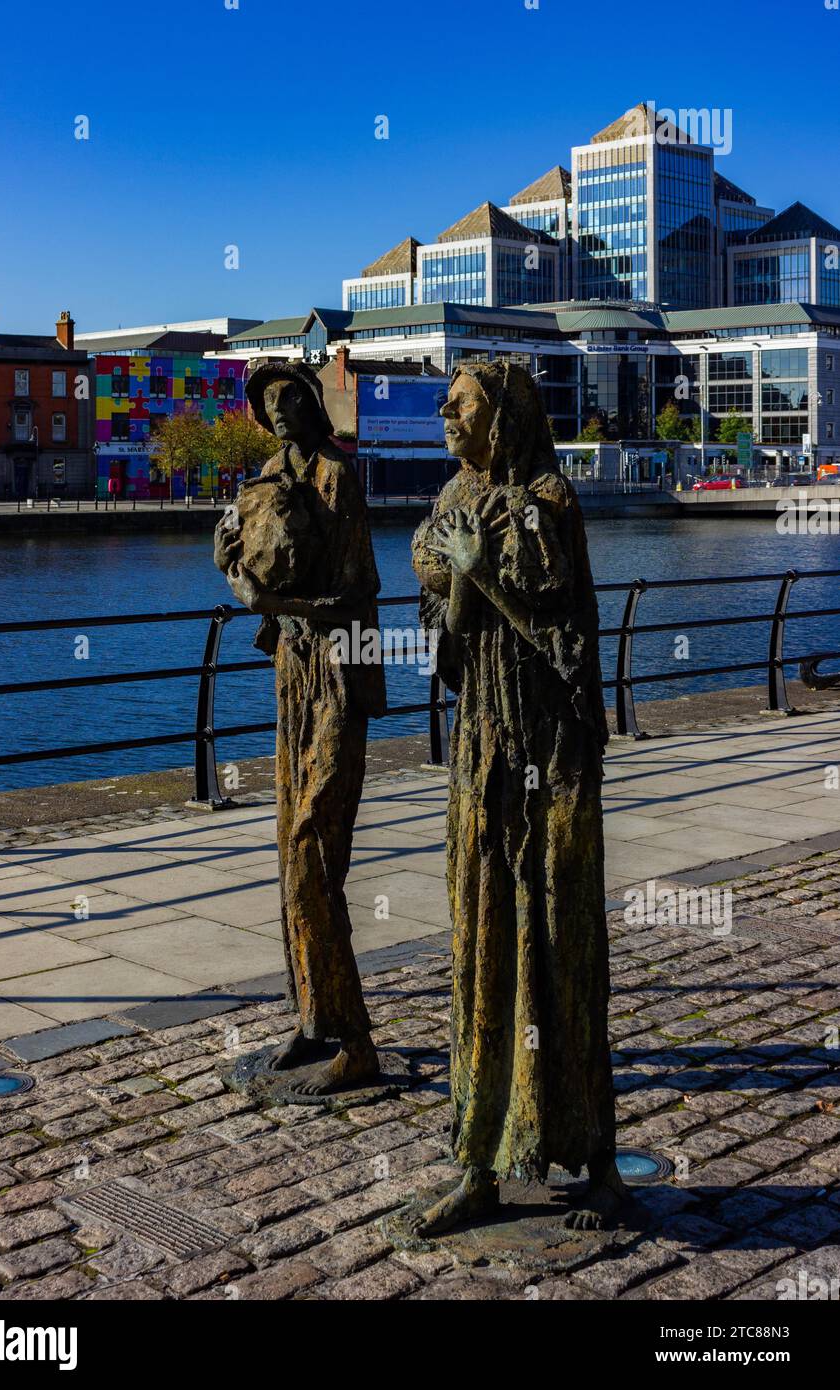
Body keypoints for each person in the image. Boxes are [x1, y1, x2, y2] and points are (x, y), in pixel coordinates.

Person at [408, 362, 623, 1234]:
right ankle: (481, 1162)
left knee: (563, 943)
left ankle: (598, 1159)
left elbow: (562, 644)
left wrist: (480, 570)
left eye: (460, 405)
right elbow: (454, 640)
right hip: (485, 749)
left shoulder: (549, 500)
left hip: (552, 752)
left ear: (503, 413)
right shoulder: (456, 493)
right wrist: (465, 576)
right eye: (447, 405)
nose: (444, 415)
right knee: (483, 942)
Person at [214, 363, 386, 1096]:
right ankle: (312, 1017)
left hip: (339, 668)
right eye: (267, 402)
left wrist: (288, 605)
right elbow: (246, 553)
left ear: (314, 404)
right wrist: (246, 582)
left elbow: (359, 586)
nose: (278, 409)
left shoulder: (339, 475)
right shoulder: (269, 472)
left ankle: (355, 1039)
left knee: (316, 851)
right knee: (290, 849)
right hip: (292, 669)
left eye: (289, 397)